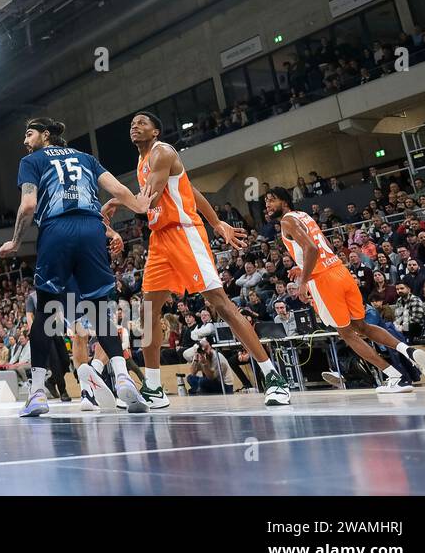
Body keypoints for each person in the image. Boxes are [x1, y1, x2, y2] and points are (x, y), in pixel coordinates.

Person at [113, 111, 291, 408]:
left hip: (184, 235)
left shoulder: (162, 153)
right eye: (132, 123)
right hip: (160, 240)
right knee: (147, 311)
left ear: (156, 131)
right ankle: (154, 389)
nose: (135, 126)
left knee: (221, 304)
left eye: (142, 123)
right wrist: (218, 222)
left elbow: (148, 203)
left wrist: (115, 198)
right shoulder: (143, 161)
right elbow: (190, 190)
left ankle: (273, 378)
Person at [0, 117, 151, 417]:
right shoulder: (86, 158)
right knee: (99, 309)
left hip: (57, 231)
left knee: (45, 313)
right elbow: (118, 189)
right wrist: (139, 207)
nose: (25, 141)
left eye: (29, 134)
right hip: (92, 229)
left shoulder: (31, 161)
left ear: (45, 135)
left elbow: (28, 205)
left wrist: (16, 241)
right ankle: (122, 377)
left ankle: (38, 393)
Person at [265, 187, 425, 390]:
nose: (267, 205)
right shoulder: (303, 216)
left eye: (271, 200)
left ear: (284, 201)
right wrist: (302, 266)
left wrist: (303, 281)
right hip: (340, 271)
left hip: (323, 280)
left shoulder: (287, 220)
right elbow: (324, 245)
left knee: (346, 334)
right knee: (362, 326)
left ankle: (394, 376)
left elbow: (311, 248)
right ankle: (407, 350)